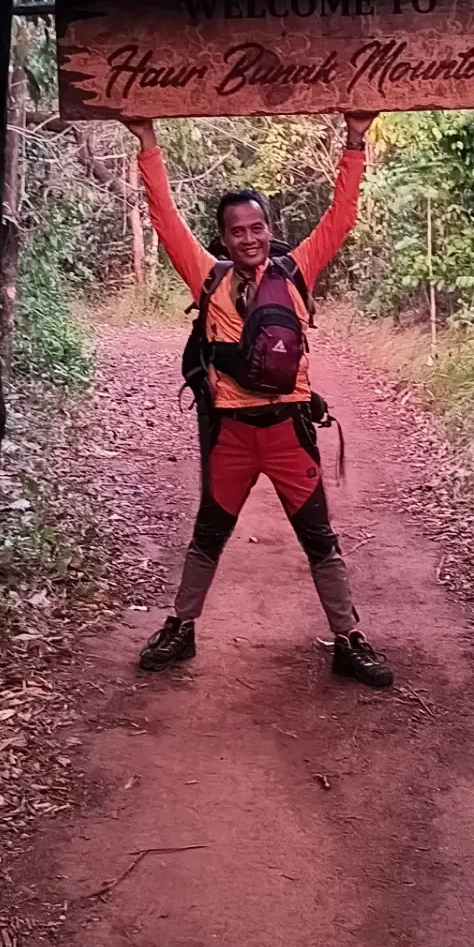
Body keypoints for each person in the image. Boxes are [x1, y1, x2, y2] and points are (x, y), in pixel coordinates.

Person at [122, 113, 392, 690]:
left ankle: (348, 638)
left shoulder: (296, 271)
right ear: (223, 237)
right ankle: (182, 627)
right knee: (208, 536)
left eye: (257, 227)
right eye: (237, 230)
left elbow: (340, 219)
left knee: (320, 539)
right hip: (232, 437)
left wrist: (354, 140)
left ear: (269, 227)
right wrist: (147, 142)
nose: (249, 237)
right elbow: (166, 221)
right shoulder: (207, 276)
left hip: (290, 432)